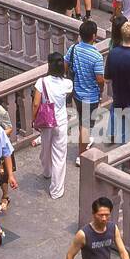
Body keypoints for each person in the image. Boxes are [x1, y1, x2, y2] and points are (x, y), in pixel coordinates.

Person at [32, 52, 74, 199]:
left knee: (45, 148)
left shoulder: (41, 82)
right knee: (59, 155)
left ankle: (47, 171)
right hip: (61, 121)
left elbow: (36, 103)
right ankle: (56, 190)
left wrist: (34, 119)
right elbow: (67, 96)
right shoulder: (68, 84)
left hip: (45, 121)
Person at [65, 18, 105, 164]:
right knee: (86, 125)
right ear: (94, 36)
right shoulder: (96, 57)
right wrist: (101, 90)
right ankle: (81, 155)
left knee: (84, 120)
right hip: (91, 95)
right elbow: (100, 79)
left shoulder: (73, 48)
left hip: (77, 93)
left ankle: (85, 141)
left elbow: (65, 64)